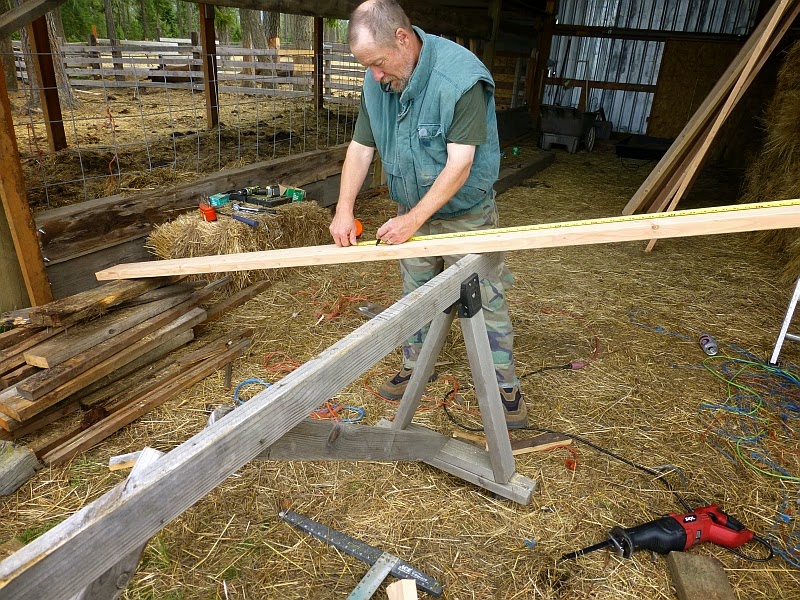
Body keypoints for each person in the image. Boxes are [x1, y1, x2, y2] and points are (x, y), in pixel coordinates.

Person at [329, 0, 526, 429]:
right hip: (411, 210)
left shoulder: (460, 79)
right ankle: (416, 364)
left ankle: (503, 386)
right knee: (415, 295)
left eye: (379, 63)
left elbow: (460, 164)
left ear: (403, 38)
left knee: (483, 297)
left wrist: (412, 220)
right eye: (369, 66)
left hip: (465, 213)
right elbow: (361, 149)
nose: (375, 75)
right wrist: (344, 210)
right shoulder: (377, 79)